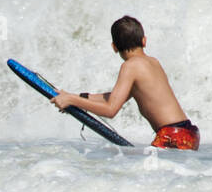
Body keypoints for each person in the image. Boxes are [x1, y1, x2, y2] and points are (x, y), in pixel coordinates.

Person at [51, 15, 200, 149]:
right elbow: (114, 98)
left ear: (114, 47)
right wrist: (77, 97)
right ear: (144, 41)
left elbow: (111, 109)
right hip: (188, 133)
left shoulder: (130, 66)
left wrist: (71, 100)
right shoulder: (153, 62)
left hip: (172, 136)